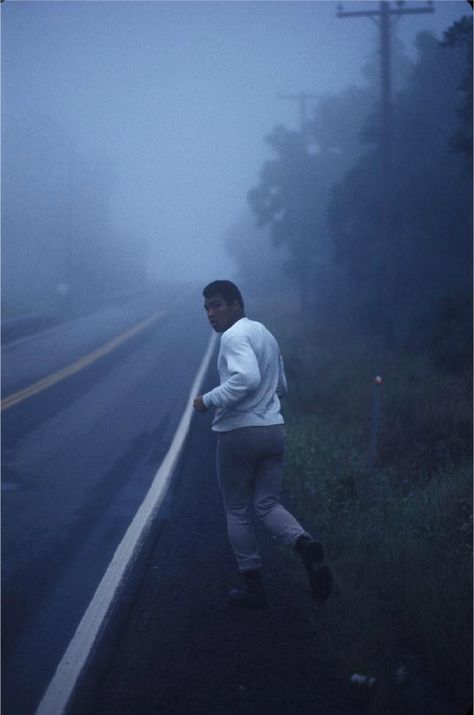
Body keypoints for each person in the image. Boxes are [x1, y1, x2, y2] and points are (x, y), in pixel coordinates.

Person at [193, 280, 332, 609]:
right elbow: (280, 386)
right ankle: (305, 545)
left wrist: (208, 399)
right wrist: (263, 405)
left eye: (217, 305)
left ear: (236, 305)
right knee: (268, 505)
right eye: (207, 308)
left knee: (237, 509)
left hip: (239, 433)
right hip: (273, 430)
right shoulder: (264, 333)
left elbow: (246, 378)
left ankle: (254, 590)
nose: (211, 314)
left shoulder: (233, 336)